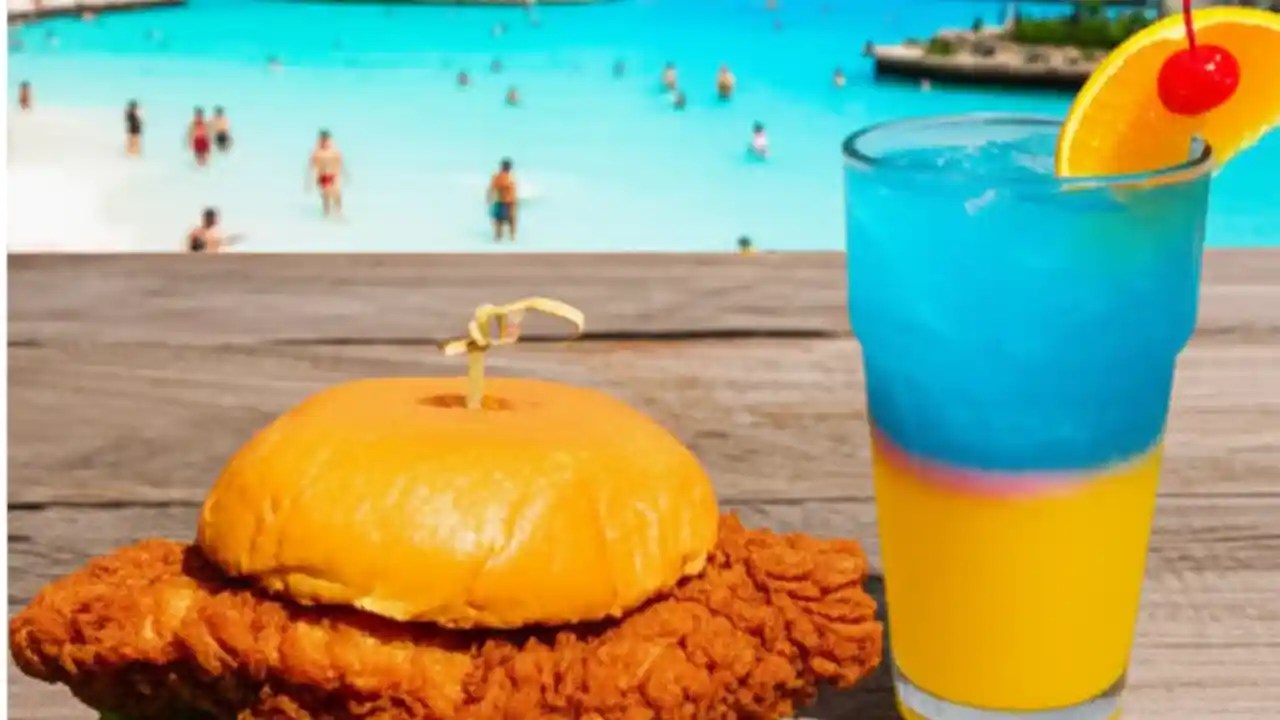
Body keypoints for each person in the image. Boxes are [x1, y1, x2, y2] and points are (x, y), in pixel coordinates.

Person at [307, 129, 345, 218]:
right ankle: (327, 215)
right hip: (323, 177)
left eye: (326, 139)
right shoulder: (316, 153)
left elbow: (340, 165)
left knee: (336, 195)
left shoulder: (335, 152)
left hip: (334, 177)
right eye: (322, 140)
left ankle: (338, 212)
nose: (324, 142)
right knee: (326, 196)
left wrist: (341, 176)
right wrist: (310, 181)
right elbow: (311, 168)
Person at [487, 158, 518, 242]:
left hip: (509, 202)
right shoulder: (499, 177)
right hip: (502, 202)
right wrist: (489, 199)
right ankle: (502, 239)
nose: (508, 168)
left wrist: (489, 199)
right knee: (501, 222)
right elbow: (491, 189)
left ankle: (510, 239)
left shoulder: (510, 177)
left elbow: (491, 189)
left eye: (508, 166)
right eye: (507, 166)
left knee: (510, 221)